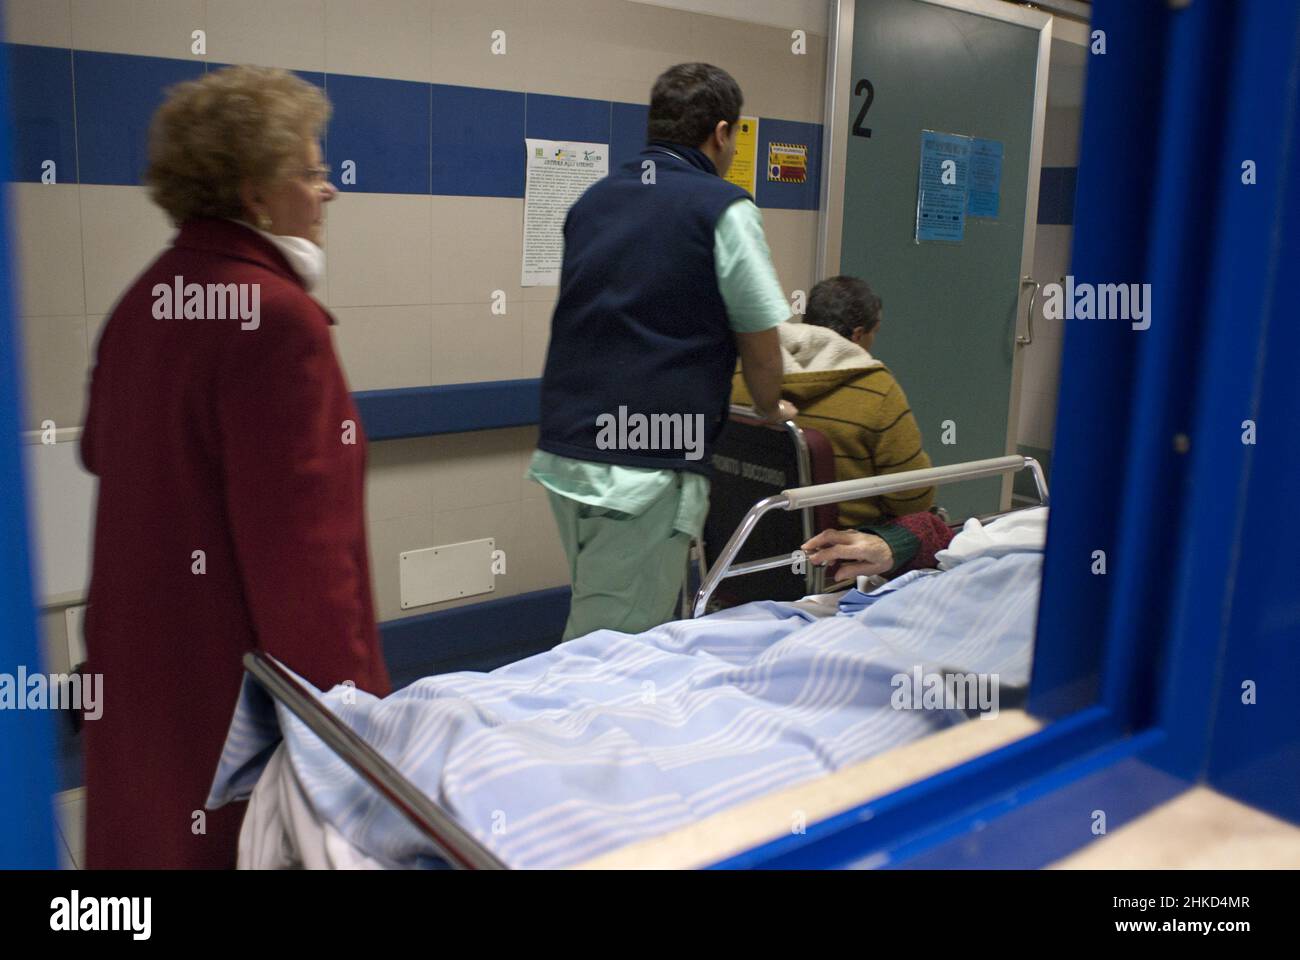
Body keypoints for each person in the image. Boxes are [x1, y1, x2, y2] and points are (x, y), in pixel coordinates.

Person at [80, 65, 390, 868]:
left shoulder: (146, 300)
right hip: (232, 710)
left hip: (141, 681)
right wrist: (352, 739)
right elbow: (306, 569)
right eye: (313, 173)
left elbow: (99, 452)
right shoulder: (277, 321)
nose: (330, 192)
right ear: (256, 194)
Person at [530, 63, 795, 642]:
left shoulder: (594, 201)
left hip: (569, 450)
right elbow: (759, 337)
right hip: (644, 460)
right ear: (722, 133)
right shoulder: (722, 208)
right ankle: (584, 732)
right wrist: (773, 408)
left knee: (604, 611)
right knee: (613, 649)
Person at [732, 276, 935, 527]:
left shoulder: (744, 374)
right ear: (858, 334)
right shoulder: (876, 391)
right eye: (875, 332)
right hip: (842, 550)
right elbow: (914, 499)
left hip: (743, 540)